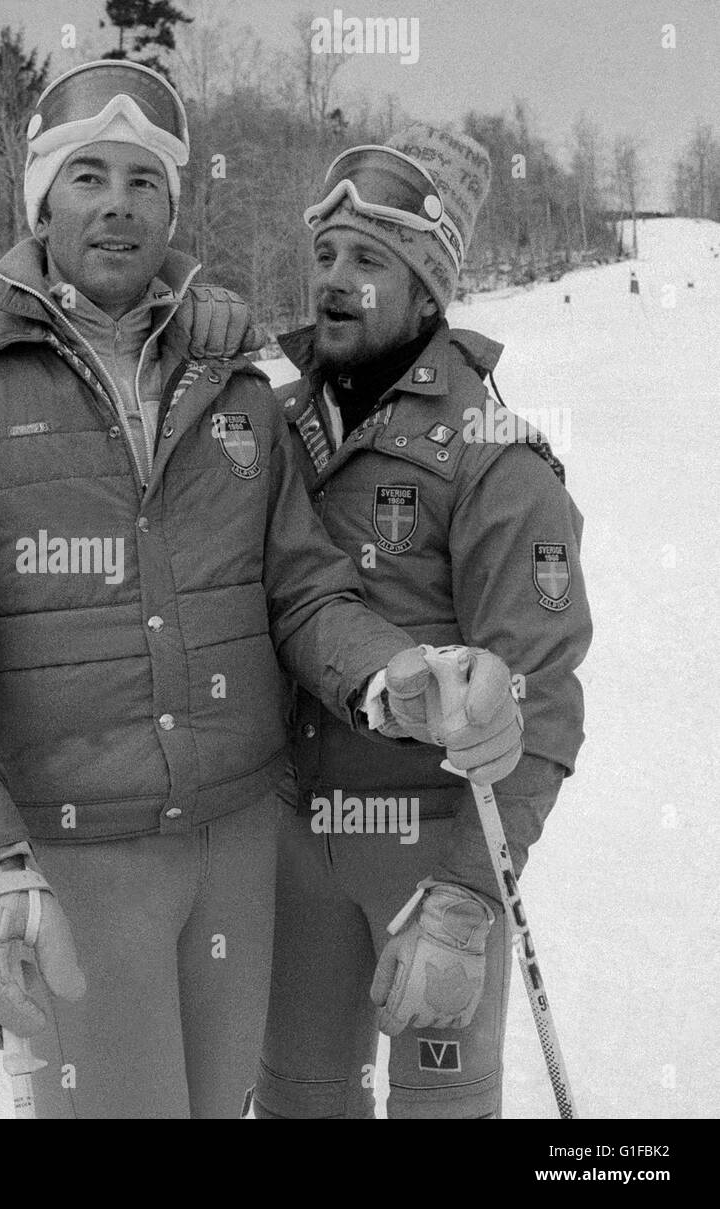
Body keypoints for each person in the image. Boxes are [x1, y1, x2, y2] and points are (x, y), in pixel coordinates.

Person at [0, 61, 523, 1119]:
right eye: (87, 177)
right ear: (39, 201)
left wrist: (393, 677)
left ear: (172, 207)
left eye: (145, 181)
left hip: (236, 849)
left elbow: (301, 597)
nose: (118, 202)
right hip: (80, 851)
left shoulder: (237, 395)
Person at [254, 125, 593, 1119]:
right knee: (297, 1103)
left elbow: (543, 698)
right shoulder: (265, 428)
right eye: (324, 254)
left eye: (369, 259)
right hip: (289, 836)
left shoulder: (497, 460)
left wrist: (465, 900)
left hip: (429, 842)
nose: (334, 279)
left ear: (427, 286)